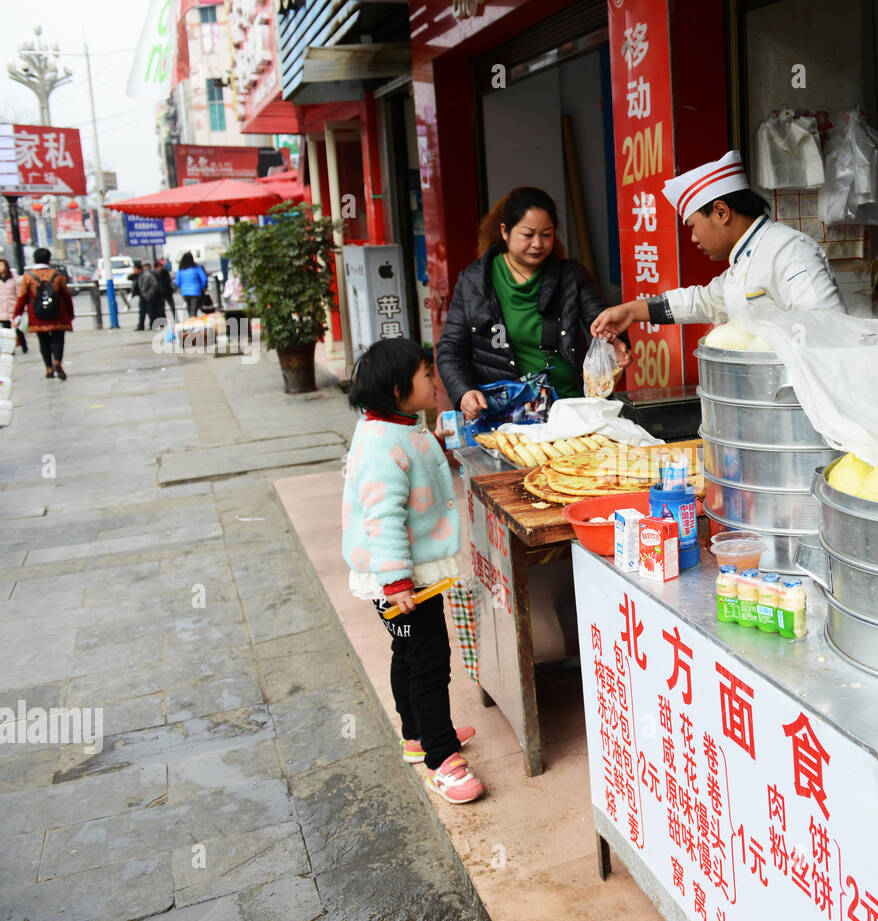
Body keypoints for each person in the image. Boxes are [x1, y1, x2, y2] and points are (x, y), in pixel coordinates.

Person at [343, 336, 484, 805]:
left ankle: (417, 735)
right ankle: (442, 758)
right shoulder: (385, 445)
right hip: (403, 580)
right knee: (427, 662)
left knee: (407, 655)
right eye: (427, 375)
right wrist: (397, 582)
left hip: (405, 576)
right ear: (399, 389)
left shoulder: (396, 426)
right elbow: (382, 518)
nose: (435, 380)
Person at [590, 150, 845, 341]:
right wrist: (633, 311)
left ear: (721, 212)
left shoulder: (787, 250)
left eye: (692, 226)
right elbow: (703, 301)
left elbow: (828, 328)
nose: (693, 238)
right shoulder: (743, 262)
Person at [435, 186, 630, 421]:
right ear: (505, 232)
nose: (538, 243)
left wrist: (615, 341)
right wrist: (464, 391)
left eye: (546, 234)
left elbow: (601, 319)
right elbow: (450, 350)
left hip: (574, 409)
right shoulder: (476, 281)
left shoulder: (571, 276)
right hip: (509, 415)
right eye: (528, 235)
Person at [13, 247, 74, 380]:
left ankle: (49, 368)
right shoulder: (57, 275)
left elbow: (22, 297)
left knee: (43, 341)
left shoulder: (28, 277)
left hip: (37, 314)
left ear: (35, 259)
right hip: (58, 313)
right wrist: (70, 313)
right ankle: (57, 361)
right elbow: (66, 296)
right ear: (49, 259)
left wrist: (16, 315)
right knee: (59, 339)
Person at [0, 259, 28, 353]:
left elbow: (19, 292)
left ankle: (24, 346)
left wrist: (22, 307)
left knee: (18, 329)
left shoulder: (13, 278)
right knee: (6, 331)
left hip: (14, 308)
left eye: (1, 265)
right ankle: (11, 350)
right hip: (2, 309)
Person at [176, 252, 209, 318]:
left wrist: (182, 287)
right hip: (196, 291)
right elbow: (204, 278)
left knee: (189, 307)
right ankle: (193, 322)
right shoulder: (197, 268)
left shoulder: (181, 269)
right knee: (194, 309)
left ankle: (191, 320)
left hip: (185, 292)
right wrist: (202, 287)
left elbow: (177, 282)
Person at [135, 260, 162, 331]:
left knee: (151, 311)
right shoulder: (139, 275)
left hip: (148, 296)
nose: (134, 271)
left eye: (135, 269)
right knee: (142, 311)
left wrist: (149, 293)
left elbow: (154, 284)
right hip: (143, 296)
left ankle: (152, 324)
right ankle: (141, 325)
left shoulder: (147, 275)